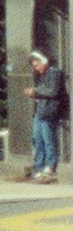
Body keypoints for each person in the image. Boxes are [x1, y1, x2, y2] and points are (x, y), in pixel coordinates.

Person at [26, 48, 69, 182]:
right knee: (37, 140)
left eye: (36, 65)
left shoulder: (55, 72)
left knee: (48, 140)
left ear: (43, 61)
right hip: (40, 112)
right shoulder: (43, 75)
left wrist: (35, 91)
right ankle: (39, 167)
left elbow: (52, 91)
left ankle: (50, 167)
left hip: (50, 112)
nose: (36, 68)